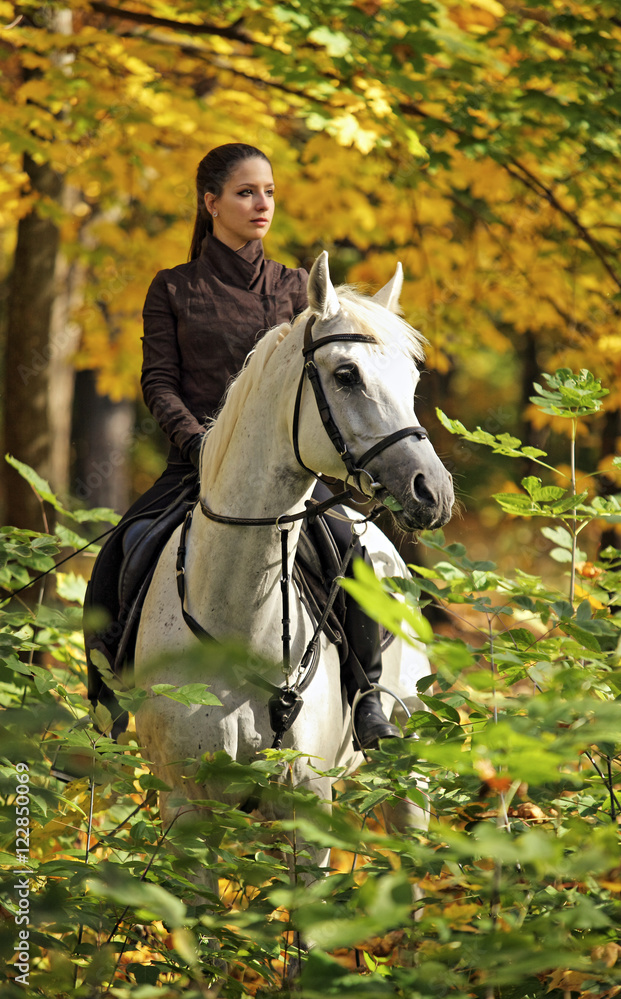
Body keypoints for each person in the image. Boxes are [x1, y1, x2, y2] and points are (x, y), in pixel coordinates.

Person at [84, 142, 400, 750]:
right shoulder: (172, 288)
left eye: (270, 193)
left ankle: (367, 702)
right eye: (246, 192)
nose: (262, 204)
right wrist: (198, 441)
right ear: (211, 203)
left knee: (348, 552)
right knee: (121, 551)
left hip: (286, 470)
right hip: (195, 465)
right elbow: (159, 381)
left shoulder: (295, 287)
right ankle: (106, 708)